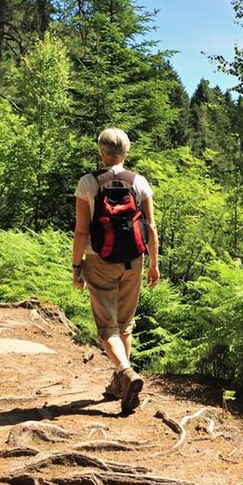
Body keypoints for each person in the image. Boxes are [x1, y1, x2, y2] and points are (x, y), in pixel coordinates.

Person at [72, 127, 159, 413]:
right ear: (126, 152)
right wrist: (154, 265)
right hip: (134, 260)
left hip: (100, 260)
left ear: (102, 152)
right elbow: (151, 228)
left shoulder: (88, 182)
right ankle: (119, 385)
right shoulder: (140, 182)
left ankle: (125, 372)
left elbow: (82, 231)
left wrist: (77, 266)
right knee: (125, 323)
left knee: (107, 327)